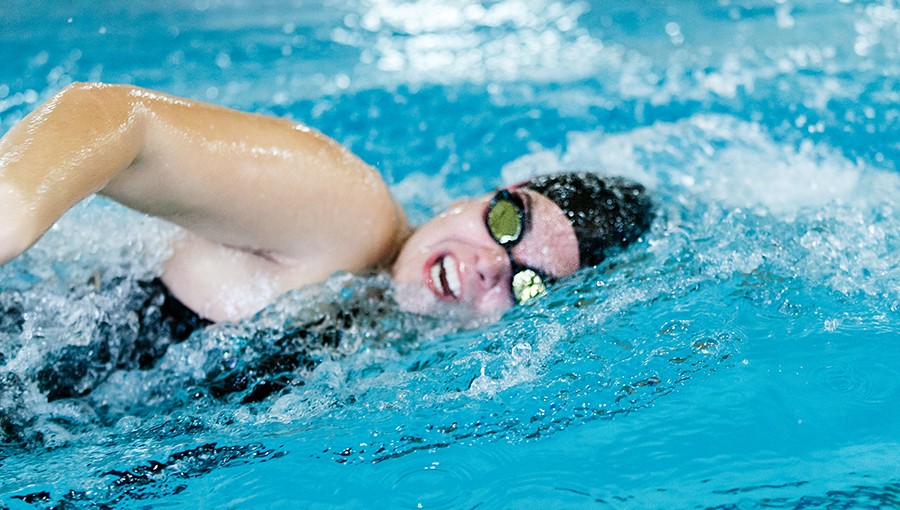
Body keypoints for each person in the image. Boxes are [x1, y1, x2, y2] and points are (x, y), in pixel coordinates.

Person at [0, 82, 653, 329]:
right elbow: (118, 118)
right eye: (508, 223)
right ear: (474, 197)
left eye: (530, 286)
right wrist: (11, 212)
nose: (490, 266)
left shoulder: (381, 345)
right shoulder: (349, 216)